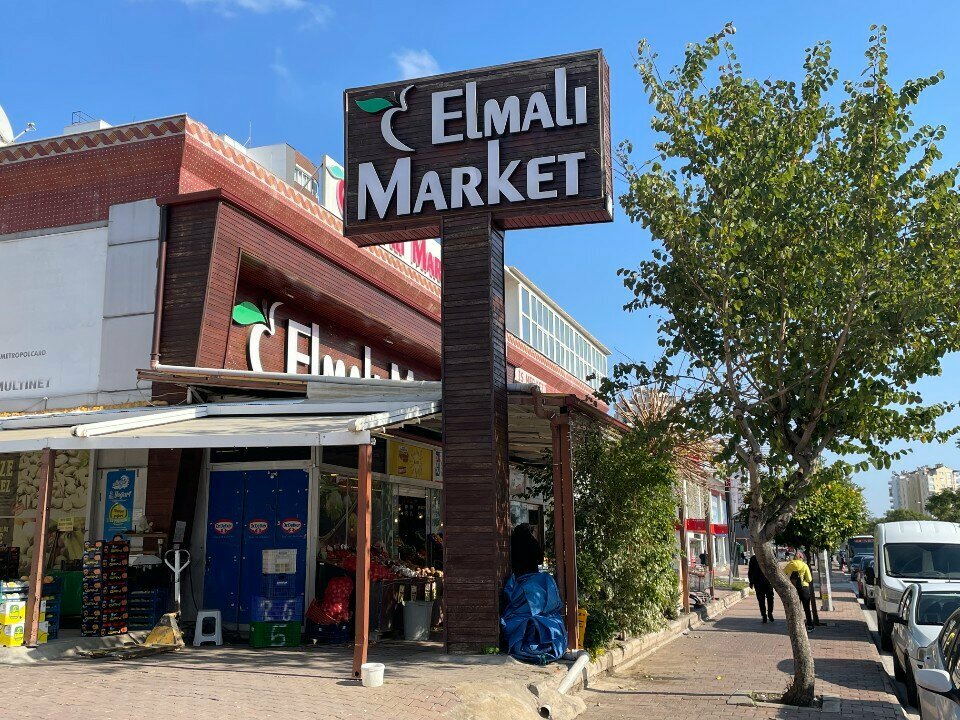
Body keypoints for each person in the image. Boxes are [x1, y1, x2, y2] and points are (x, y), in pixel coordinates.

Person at [783, 551, 815, 631]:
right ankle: (810, 625)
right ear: (801, 558)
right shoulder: (804, 565)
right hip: (804, 588)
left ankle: (796, 625)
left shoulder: (789, 565)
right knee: (806, 608)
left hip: (793, 588)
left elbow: (783, 574)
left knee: (795, 607)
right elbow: (809, 579)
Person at [748, 554, 775, 623]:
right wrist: (751, 582)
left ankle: (768, 614)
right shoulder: (754, 558)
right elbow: (750, 571)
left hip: (765, 582)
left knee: (766, 599)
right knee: (764, 599)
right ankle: (765, 615)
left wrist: (751, 582)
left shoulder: (768, 556)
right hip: (762, 582)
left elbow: (750, 571)